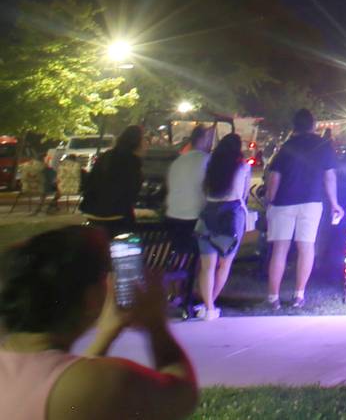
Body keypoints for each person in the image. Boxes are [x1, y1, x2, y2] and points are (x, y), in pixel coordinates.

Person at [0, 225, 198, 420]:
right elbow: (182, 396)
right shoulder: (104, 380)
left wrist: (105, 335)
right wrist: (156, 323)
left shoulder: (68, 382)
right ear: (91, 298)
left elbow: (52, 378)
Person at [263, 108, 342, 309]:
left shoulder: (286, 146)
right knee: (306, 248)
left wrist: (270, 200)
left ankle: (273, 297)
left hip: (283, 202)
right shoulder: (323, 146)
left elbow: (275, 176)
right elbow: (329, 176)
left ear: (294, 125)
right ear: (313, 125)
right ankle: (299, 295)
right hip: (311, 201)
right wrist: (334, 203)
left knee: (279, 250)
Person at [193, 132, 251, 321]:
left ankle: (207, 306)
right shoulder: (242, 167)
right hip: (232, 216)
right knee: (224, 264)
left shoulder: (210, 165)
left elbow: (203, 191)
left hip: (208, 214)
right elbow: (243, 194)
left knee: (207, 267)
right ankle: (209, 306)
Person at [163, 126, 214, 318]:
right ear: (204, 140)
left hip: (173, 218)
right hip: (195, 218)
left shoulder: (177, 162)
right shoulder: (207, 161)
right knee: (203, 256)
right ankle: (197, 295)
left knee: (180, 254)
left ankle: (176, 292)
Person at [80, 126, 144, 235]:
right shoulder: (132, 160)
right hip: (115, 213)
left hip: (91, 210)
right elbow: (132, 190)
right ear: (137, 142)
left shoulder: (106, 155)